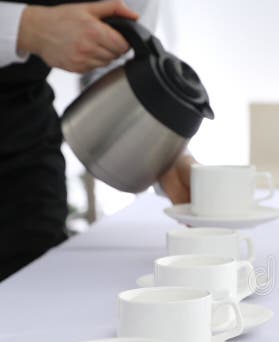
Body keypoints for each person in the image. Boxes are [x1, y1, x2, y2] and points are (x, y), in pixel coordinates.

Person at [0, 0, 193, 282]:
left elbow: (118, 60)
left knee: (35, 295)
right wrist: (26, 28)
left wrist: (164, 153)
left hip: (22, 151)